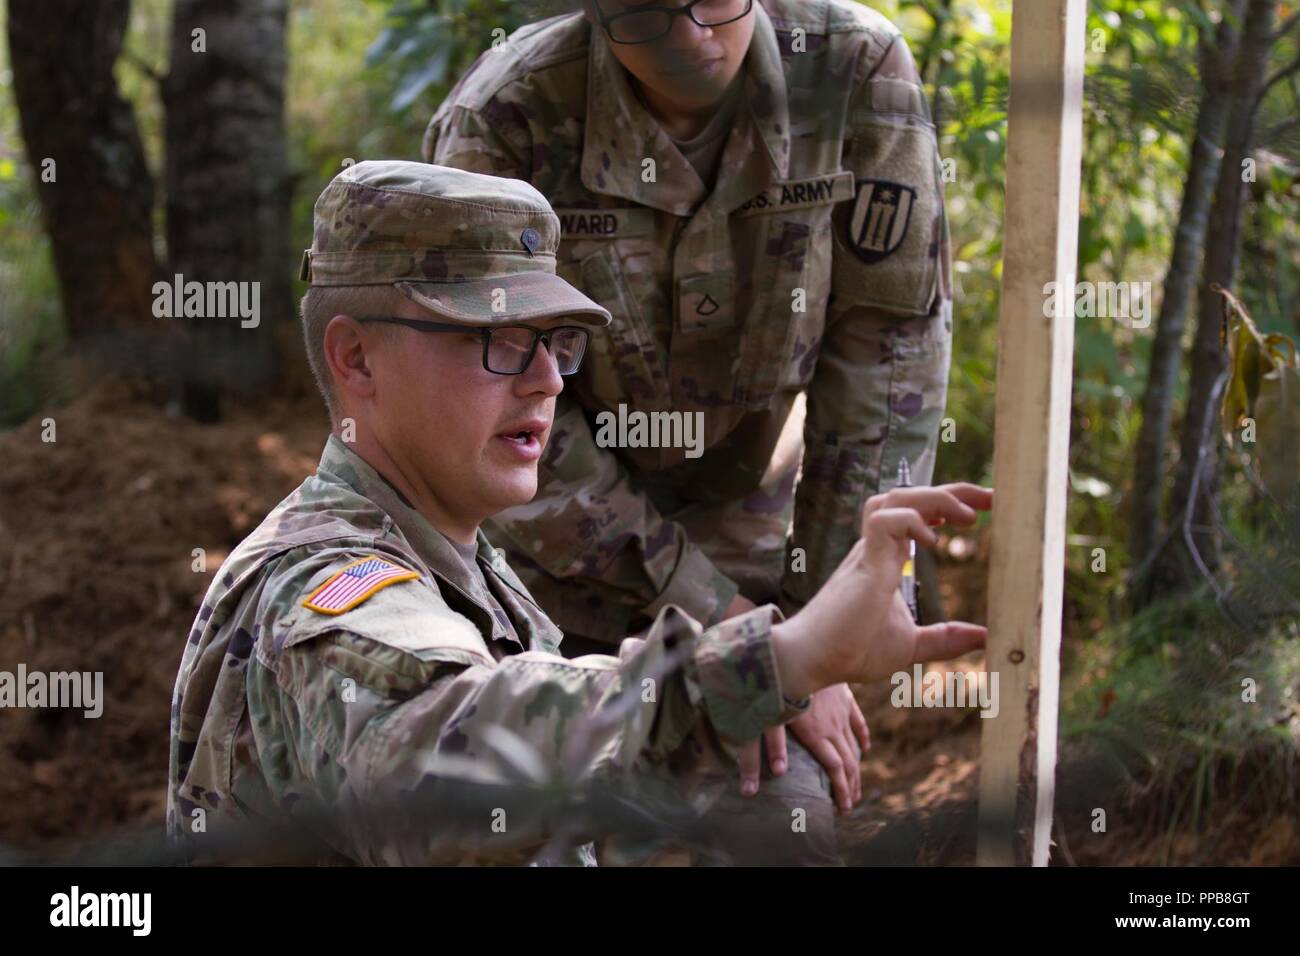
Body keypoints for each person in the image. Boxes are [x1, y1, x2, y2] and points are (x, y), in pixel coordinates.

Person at [167, 160, 987, 866]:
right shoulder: (324, 589)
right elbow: (447, 754)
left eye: (555, 340)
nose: (548, 381)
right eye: (494, 338)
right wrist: (777, 660)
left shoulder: (461, 564)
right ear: (356, 358)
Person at [422, 0, 953, 837]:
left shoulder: (851, 71)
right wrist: (742, 633)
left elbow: (884, 366)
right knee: (509, 822)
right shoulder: (509, 117)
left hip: (749, 522)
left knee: (784, 818)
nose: (689, 33)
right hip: (540, 552)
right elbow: (495, 419)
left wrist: (818, 635)